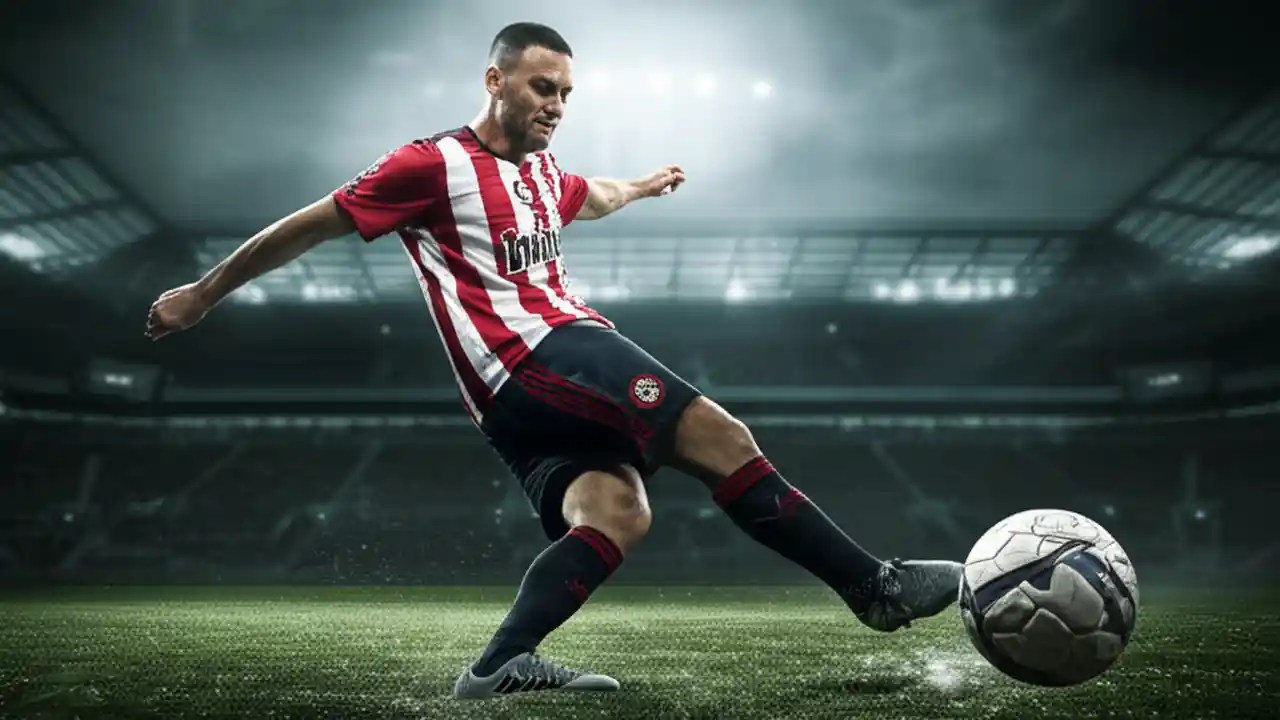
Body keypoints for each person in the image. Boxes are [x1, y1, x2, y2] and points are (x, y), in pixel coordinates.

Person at [146, 21, 962, 700]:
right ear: (495, 79)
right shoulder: (430, 165)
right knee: (719, 436)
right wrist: (205, 291)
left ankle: (498, 664)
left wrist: (642, 186)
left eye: (567, 93)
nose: (557, 106)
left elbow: (593, 194)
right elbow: (310, 222)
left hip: (517, 402)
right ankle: (874, 587)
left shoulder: (542, 174)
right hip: (539, 352)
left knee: (616, 513)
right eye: (543, 88)